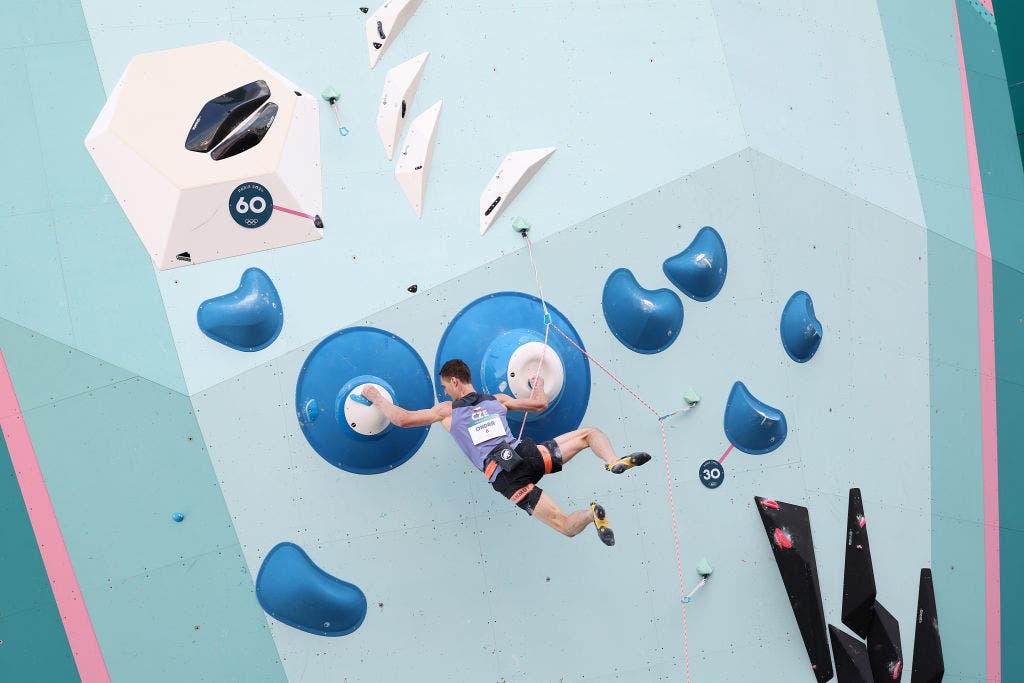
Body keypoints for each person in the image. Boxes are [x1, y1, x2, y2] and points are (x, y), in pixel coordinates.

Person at [361, 358, 650, 546]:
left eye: (446, 386)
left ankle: (590, 515)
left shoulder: (447, 411)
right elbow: (539, 404)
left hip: (505, 477)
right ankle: (612, 462)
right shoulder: (497, 400)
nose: (446, 392)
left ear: (456, 381)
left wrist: (375, 396)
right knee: (590, 434)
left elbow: (402, 419)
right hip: (527, 454)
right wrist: (536, 384)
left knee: (565, 526)